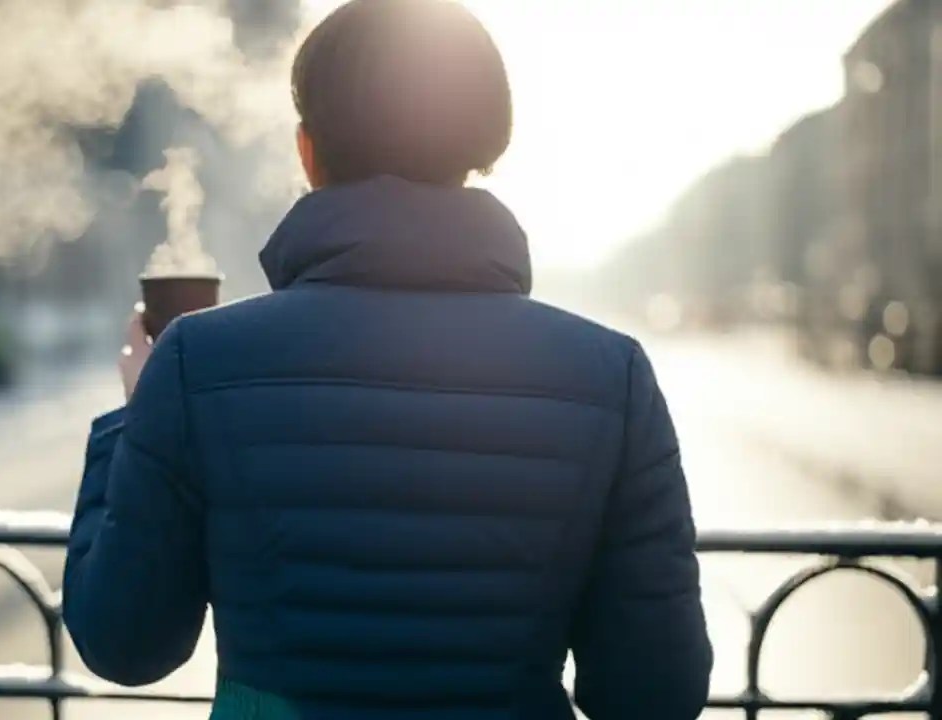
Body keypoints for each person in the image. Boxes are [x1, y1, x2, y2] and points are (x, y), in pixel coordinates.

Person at [63, 0, 713, 717]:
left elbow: (125, 644)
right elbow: (653, 693)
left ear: (308, 153)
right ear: (485, 147)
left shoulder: (197, 359)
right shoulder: (610, 376)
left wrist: (136, 416)